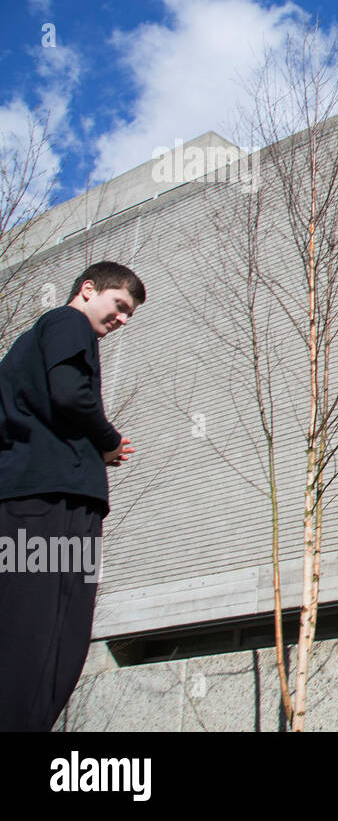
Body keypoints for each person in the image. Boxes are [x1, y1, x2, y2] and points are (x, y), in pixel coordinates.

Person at [0, 261, 144, 730]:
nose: (122, 320)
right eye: (120, 305)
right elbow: (70, 394)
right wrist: (106, 439)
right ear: (87, 290)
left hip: (42, 500)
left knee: (43, 630)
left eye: (129, 315)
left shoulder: (35, 344)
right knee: (43, 633)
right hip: (49, 503)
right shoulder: (66, 322)